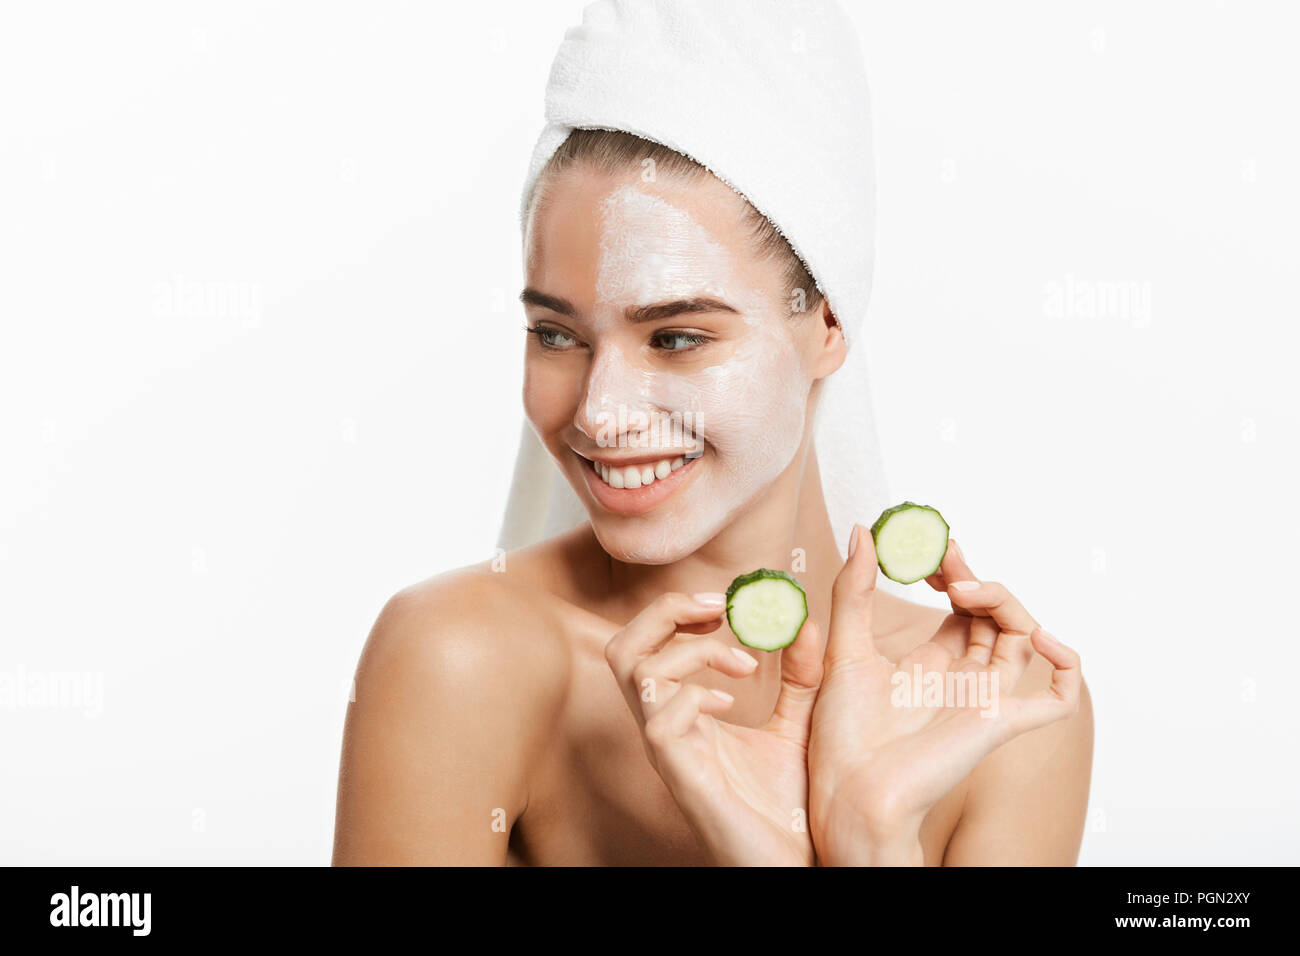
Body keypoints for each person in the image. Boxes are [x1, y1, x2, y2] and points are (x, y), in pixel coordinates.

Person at [332, 0, 1092, 866]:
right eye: (557, 334)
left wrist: (870, 842)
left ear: (828, 323)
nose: (599, 411)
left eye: (677, 337)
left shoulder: (997, 704)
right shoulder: (459, 661)